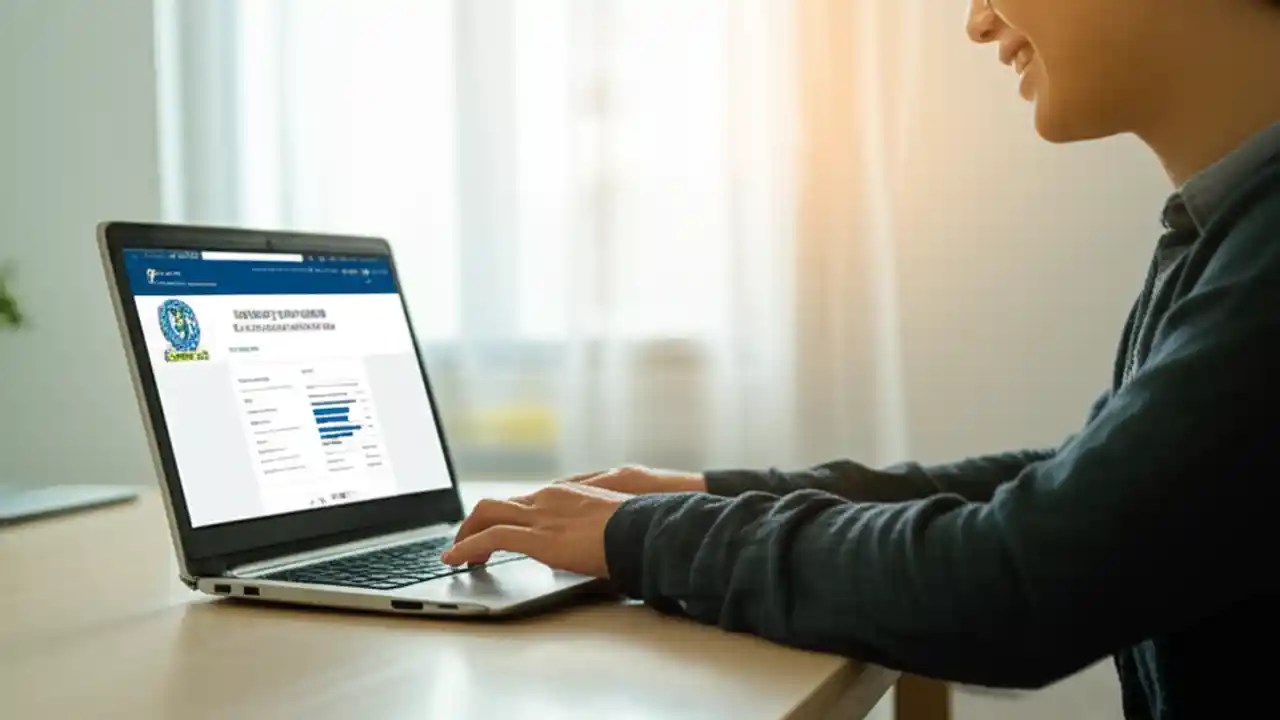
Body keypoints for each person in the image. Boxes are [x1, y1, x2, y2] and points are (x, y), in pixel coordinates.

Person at [443, 1, 1280, 717]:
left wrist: (645, 536)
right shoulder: (1231, 234)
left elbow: (1017, 581)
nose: (978, 20)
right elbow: (1076, 491)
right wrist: (706, 494)